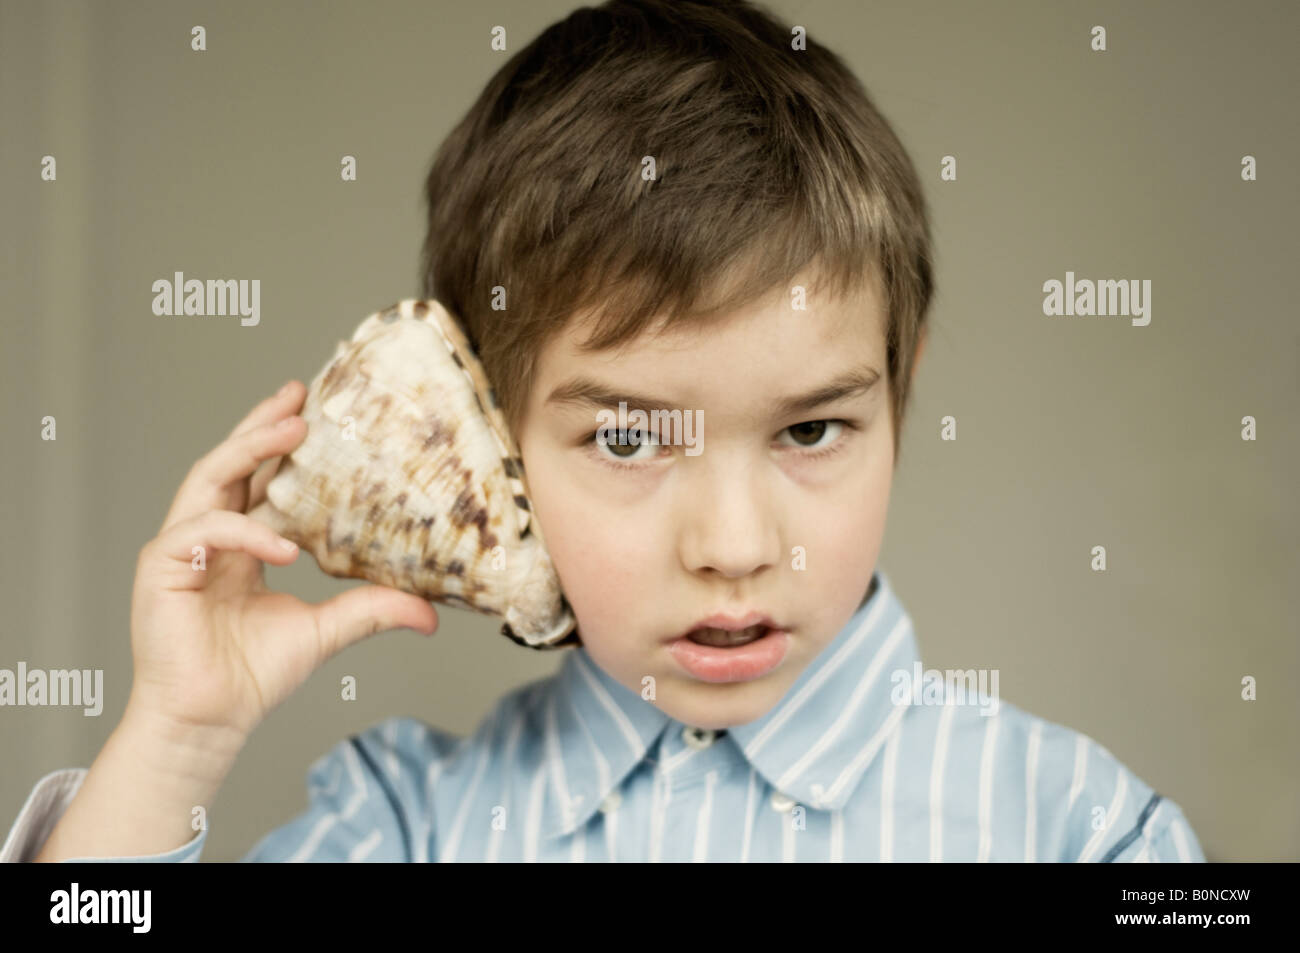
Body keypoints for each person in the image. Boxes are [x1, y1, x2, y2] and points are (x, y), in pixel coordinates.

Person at [2, 0, 1205, 862]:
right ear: (488, 443)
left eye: (812, 430)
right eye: (629, 439)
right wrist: (174, 741)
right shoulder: (405, 822)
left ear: (900, 393)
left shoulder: (1082, 828)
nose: (735, 545)